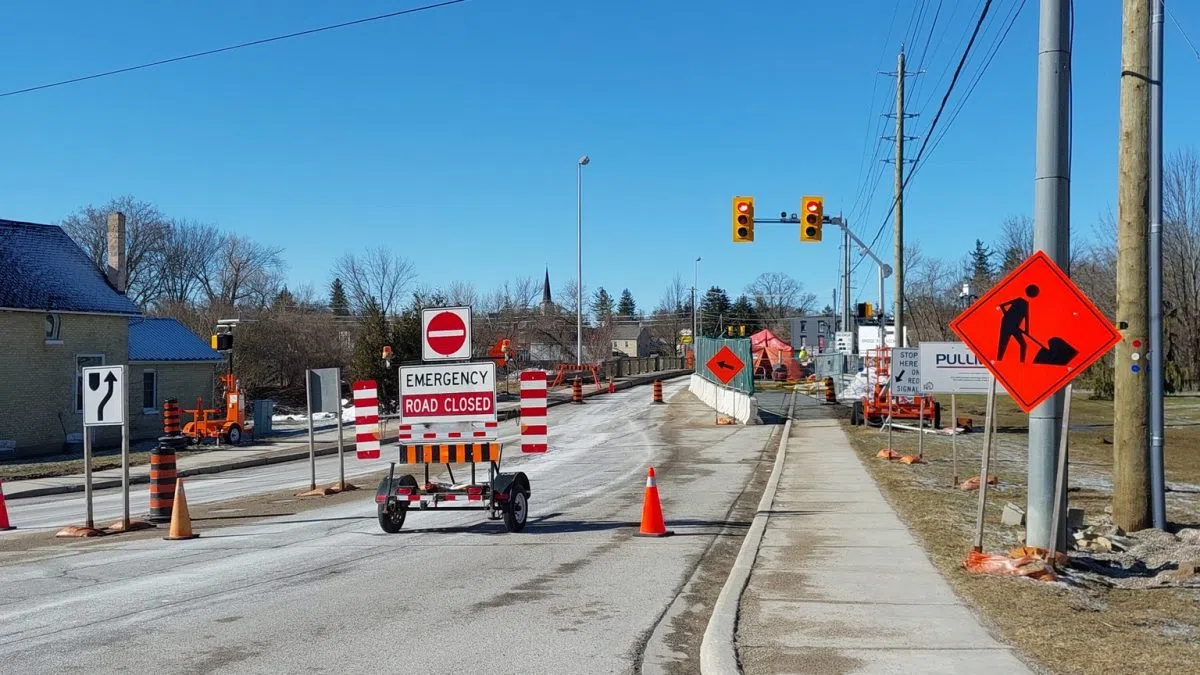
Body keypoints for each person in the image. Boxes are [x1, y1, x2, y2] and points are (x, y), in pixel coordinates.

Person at [997, 284, 1039, 362]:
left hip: (1015, 326)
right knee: (1003, 343)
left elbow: (1027, 319)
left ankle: (1022, 363)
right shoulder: (1019, 300)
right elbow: (1002, 305)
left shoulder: (1027, 305)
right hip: (1006, 323)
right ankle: (998, 361)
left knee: (1023, 344)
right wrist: (1006, 315)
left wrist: (1026, 331)